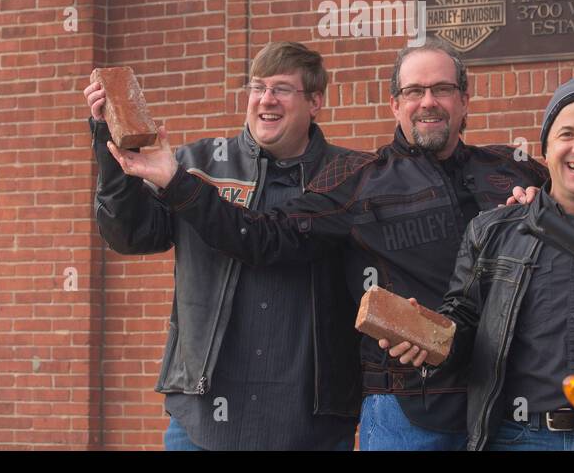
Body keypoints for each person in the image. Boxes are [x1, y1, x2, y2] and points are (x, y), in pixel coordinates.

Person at [104, 37, 548, 450]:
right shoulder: (357, 179)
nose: (427, 101)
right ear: (394, 104)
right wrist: (163, 176)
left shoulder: (514, 170)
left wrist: (539, 210)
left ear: (465, 100)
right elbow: (258, 236)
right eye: (413, 91)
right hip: (404, 411)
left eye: (441, 89)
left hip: (505, 404)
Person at [384, 80, 574, 450]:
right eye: (567, 134)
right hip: (518, 438)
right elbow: (464, 319)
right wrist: (431, 338)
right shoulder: (492, 231)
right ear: (546, 147)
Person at [86, 41, 361, 450]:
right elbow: (130, 235)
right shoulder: (197, 163)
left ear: (315, 101)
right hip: (201, 423)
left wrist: (179, 184)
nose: (266, 99)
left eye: (282, 89)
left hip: (310, 425)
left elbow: (264, 240)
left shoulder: (348, 176)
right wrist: (112, 152)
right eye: (257, 87)